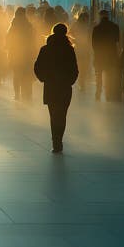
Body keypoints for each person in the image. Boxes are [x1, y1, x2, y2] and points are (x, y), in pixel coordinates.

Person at [34, 23, 79, 153]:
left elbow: (37, 67)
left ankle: (55, 141)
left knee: (53, 115)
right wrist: (70, 81)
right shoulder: (69, 49)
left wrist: (43, 78)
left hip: (50, 86)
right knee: (62, 114)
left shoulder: (45, 49)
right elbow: (74, 69)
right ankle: (59, 139)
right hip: (65, 87)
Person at [6, 7, 36, 101]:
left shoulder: (13, 25)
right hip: (27, 54)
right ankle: (27, 94)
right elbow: (33, 40)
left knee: (16, 74)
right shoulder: (29, 25)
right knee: (27, 74)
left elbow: (8, 39)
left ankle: (17, 94)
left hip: (15, 54)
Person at [92, 10, 122, 101]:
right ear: (108, 16)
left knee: (98, 75)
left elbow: (93, 44)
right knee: (109, 74)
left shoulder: (96, 28)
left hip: (99, 55)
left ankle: (98, 93)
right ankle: (108, 94)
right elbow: (117, 41)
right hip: (111, 54)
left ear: (100, 16)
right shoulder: (115, 27)